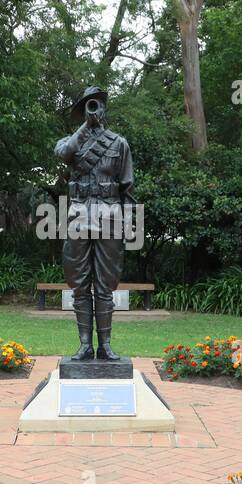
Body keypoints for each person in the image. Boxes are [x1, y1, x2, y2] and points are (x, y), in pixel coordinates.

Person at [54, 86, 135, 361]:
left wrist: (130, 222)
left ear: (105, 109)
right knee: (78, 280)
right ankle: (85, 345)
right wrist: (84, 128)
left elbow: (127, 187)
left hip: (110, 214)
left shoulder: (119, 144)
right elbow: (64, 154)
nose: (95, 108)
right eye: (90, 104)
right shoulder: (71, 141)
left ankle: (106, 345)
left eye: (99, 104)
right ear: (83, 109)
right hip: (79, 213)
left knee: (106, 282)